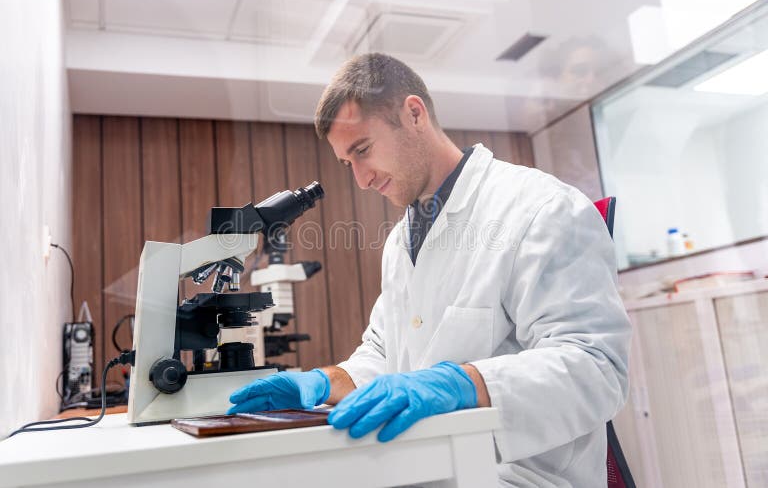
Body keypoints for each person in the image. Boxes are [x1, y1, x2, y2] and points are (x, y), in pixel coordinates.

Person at [227, 53, 631, 487]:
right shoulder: (401, 241)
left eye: (362, 150)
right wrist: (326, 383)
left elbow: (597, 368)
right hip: (428, 467)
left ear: (414, 113)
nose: (361, 179)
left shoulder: (539, 208)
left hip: (521, 476)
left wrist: (460, 383)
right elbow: (387, 354)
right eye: (348, 164)